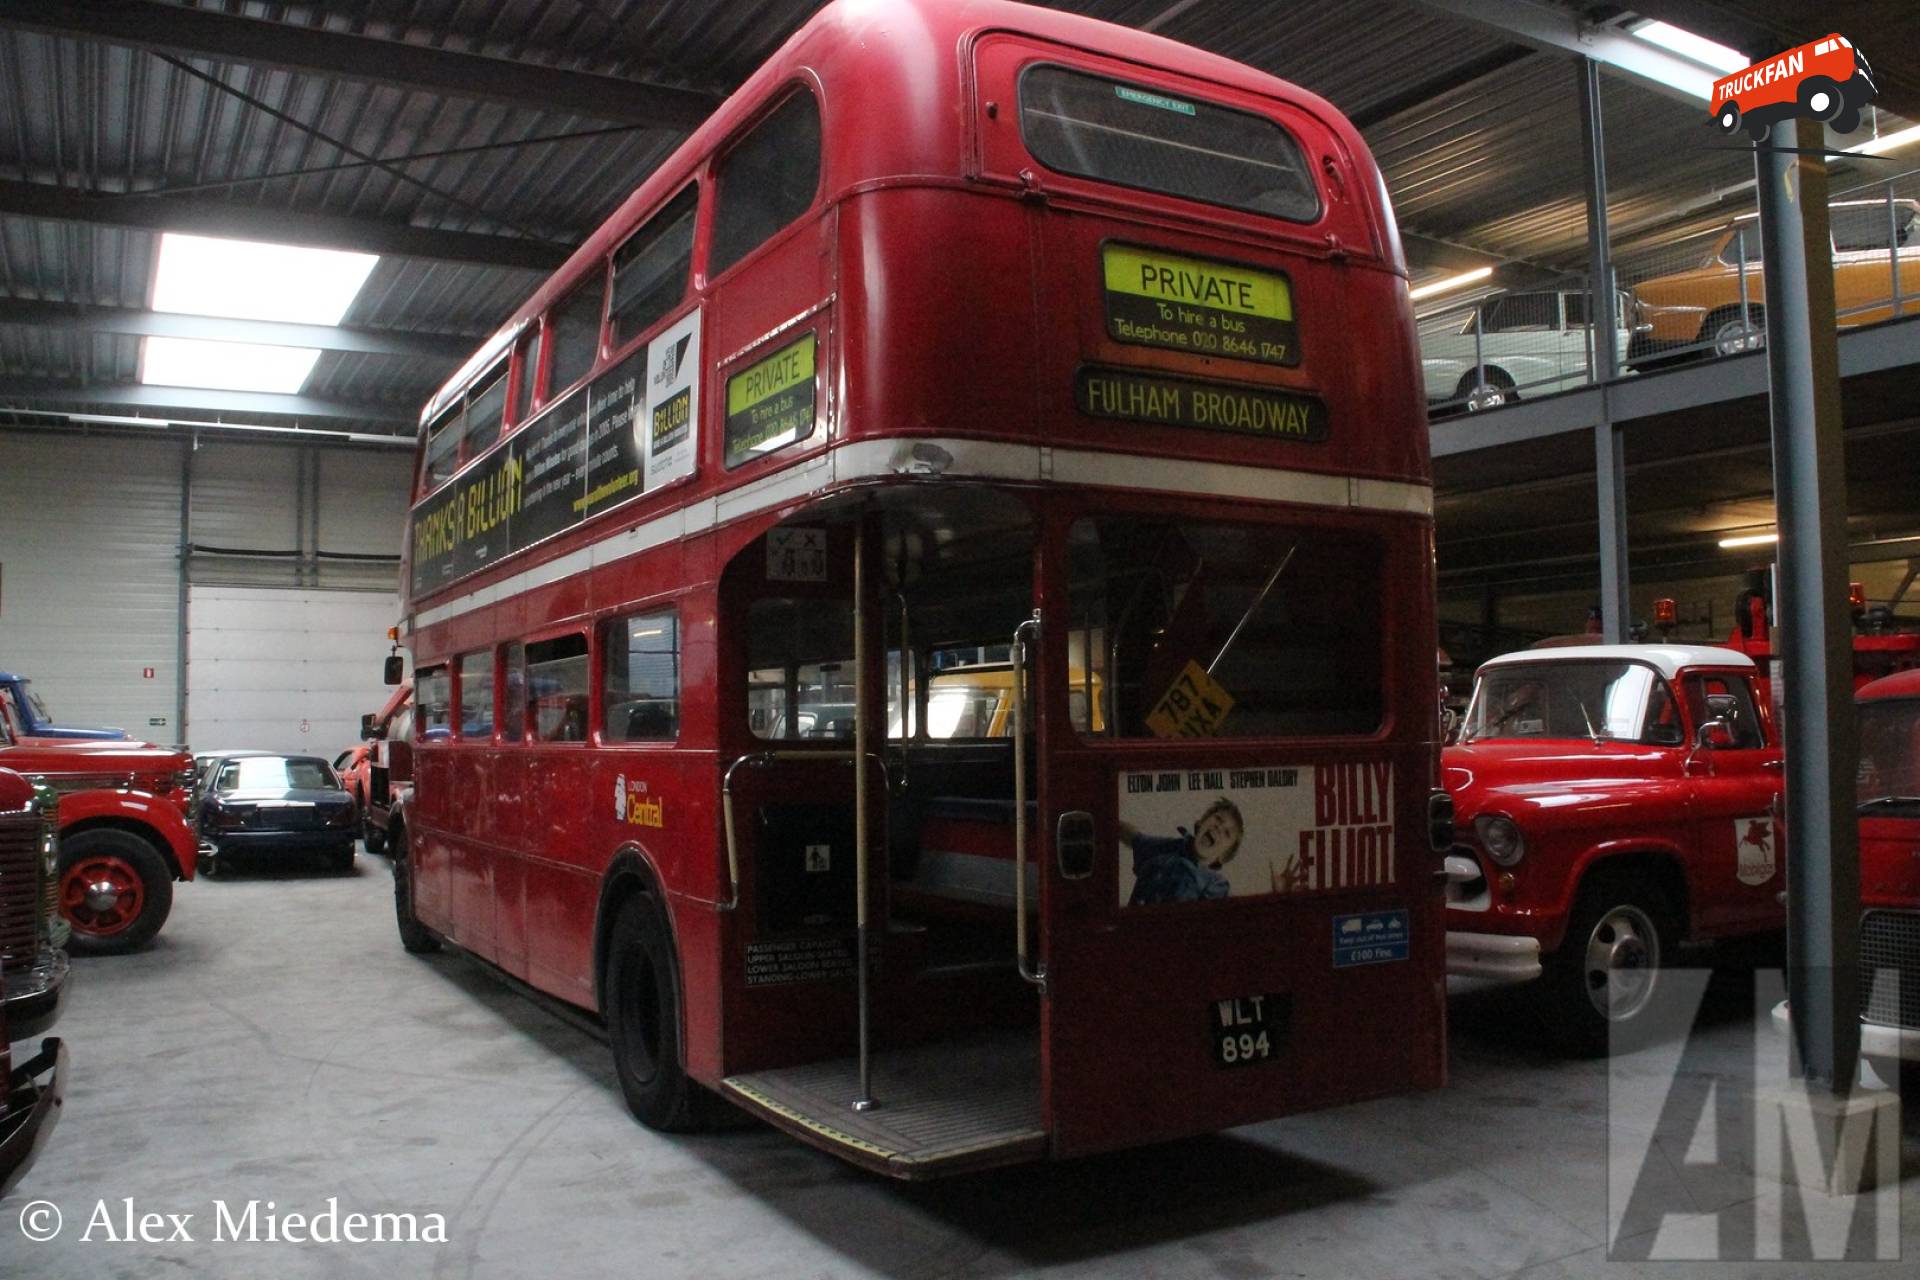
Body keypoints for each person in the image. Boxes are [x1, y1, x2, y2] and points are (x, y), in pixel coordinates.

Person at [1119, 797, 1244, 905]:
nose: (1219, 827)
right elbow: (1134, 837)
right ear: (1200, 823)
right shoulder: (1166, 848)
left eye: (1227, 833)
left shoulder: (1217, 884)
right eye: (1218, 819)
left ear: (1224, 856)